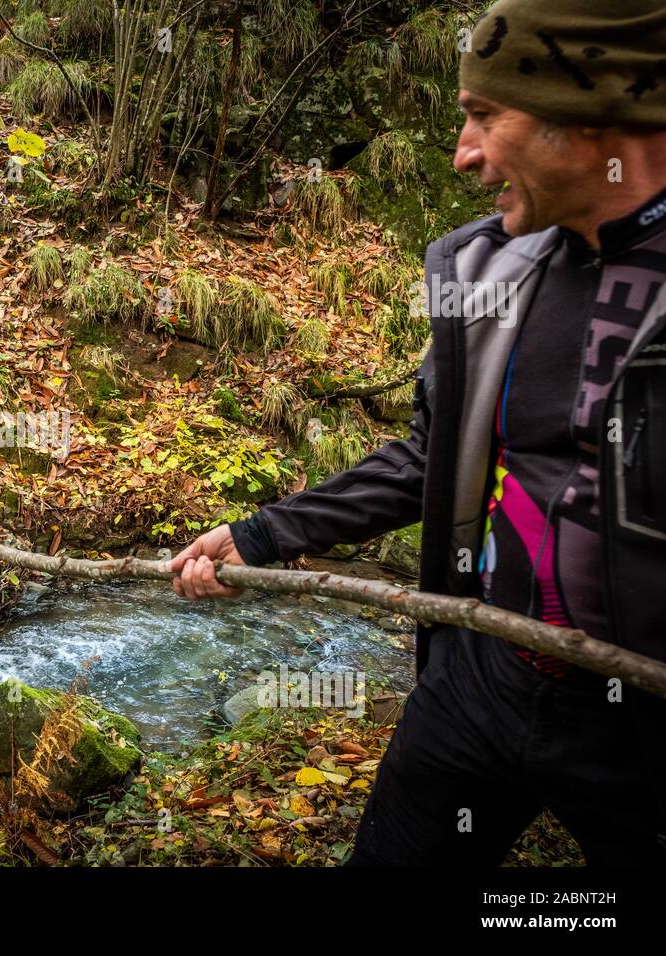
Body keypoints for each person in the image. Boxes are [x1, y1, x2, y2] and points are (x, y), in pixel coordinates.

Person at [170, 0, 666, 864]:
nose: (463, 154)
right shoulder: (489, 276)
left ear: (587, 115)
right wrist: (262, 535)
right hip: (479, 679)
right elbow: (436, 457)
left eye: (483, 116)